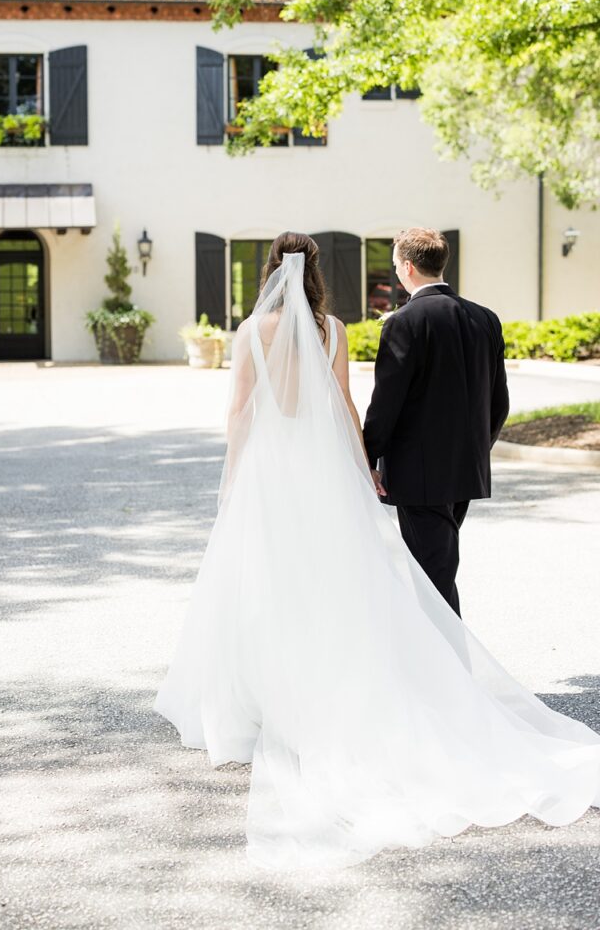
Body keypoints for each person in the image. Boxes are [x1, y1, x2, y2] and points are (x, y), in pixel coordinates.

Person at [155, 231, 600, 870]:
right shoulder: (333, 328)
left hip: (267, 475)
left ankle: (262, 703)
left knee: (263, 583)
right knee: (335, 582)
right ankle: (362, 684)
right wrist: (360, 468)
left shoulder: (252, 331)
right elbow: (343, 405)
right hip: (322, 473)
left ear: (269, 272)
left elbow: (239, 412)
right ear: (316, 271)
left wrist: (232, 478)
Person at [364, 228, 509, 615]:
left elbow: (386, 401)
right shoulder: (486, 319)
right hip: (466, 468)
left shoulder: (404, 322)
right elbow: (499, 403)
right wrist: (475, 449)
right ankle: (440, 665)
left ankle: (450, 668)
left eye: (396, 266)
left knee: (432, 575)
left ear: (407, 267)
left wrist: (367, 457)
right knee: (437, 567)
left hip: (417, 472)